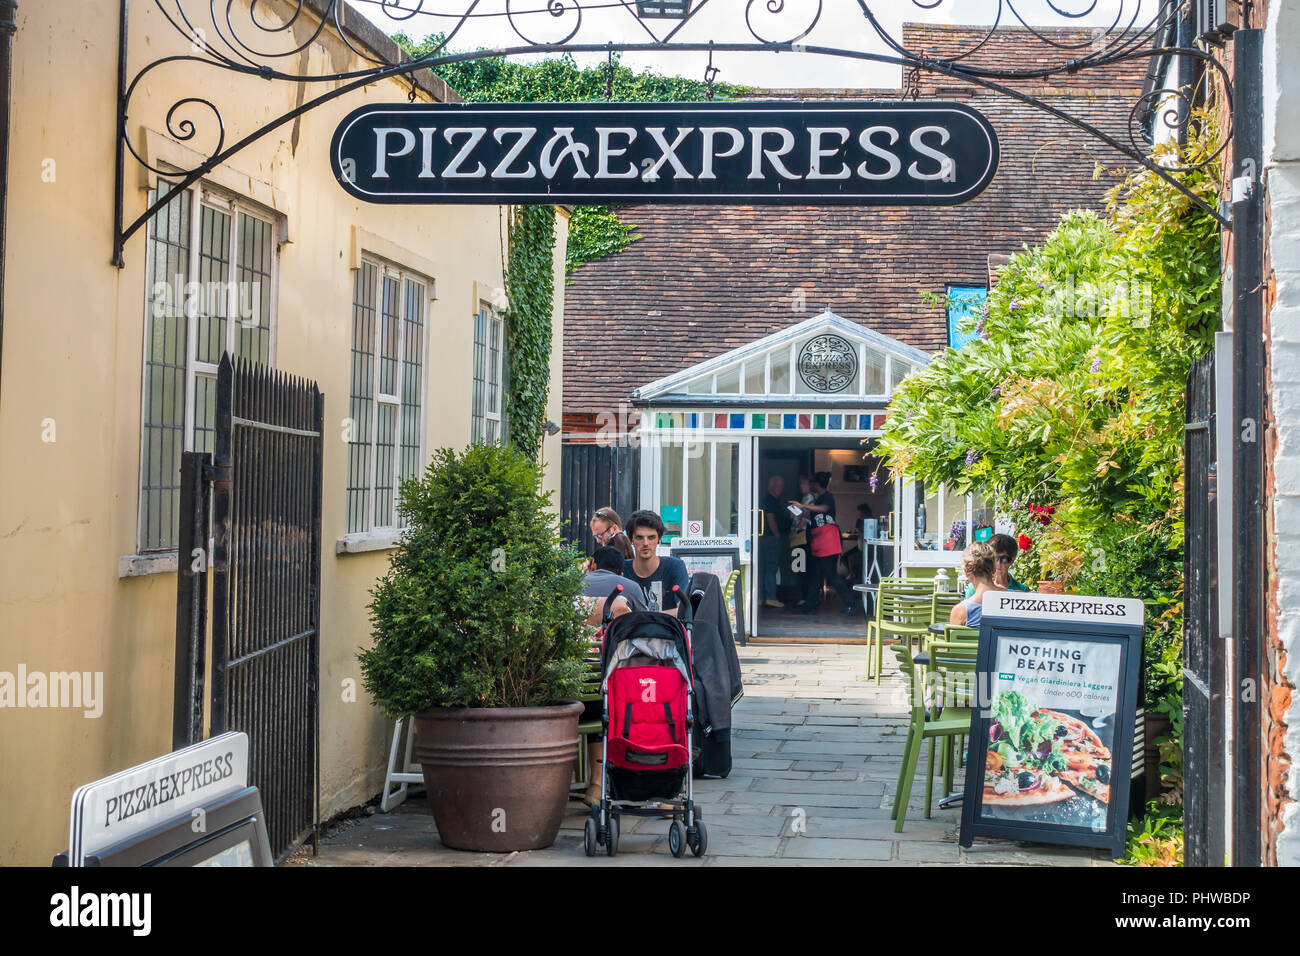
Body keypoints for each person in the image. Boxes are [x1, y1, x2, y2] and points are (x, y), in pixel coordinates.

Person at [577, 547, 644, 806]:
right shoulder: (630, 587)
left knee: (595, 698)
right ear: (622, 570)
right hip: (617, 690)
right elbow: (642, 626)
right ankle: (611, 779)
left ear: (592, 564)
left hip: (576, 692)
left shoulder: (571, 586)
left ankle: (593, 783)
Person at [791, 471, 859, 616]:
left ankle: (851, 604)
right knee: (815, 575)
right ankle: (810, 605)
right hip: (819, 542)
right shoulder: (818, 498)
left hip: (828, 542)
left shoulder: (827, 497)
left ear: (816, 484)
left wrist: (803, 506)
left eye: (812, 483)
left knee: (831, 575)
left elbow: (824, 509)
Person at [623, 509, 691, 616]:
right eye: (639, 537)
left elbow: (684, 610)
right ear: (631, 539)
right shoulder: (622, 569)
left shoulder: (674, 566)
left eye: (651, 537)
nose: (645, 543)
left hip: (668, 630)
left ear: (659, 539)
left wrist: (649, 617)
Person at [582, 545, 649, 617]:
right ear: (621, 574)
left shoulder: (575, 583)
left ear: (593, 564)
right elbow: (643, 619)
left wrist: (582, 572)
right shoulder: (632, 587)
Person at [964, 532, 1032, 597]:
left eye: (1004, 559)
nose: (998, 563)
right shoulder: (974, 588)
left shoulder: (1022, 590)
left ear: (1013, 559)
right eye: (995, 558)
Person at [951, 540, 1001, 627]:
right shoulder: (1013, 598)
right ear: (994, 569)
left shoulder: (960, 611)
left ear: (966, 572)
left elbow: (953, 639)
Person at [760, 474, 790, 608]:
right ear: (772, 486)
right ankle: (770, 597)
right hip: (771, 538)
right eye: (778, 486)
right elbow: (770, 518)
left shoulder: (772, 500)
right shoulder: (770, 500)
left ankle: (762, 597)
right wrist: (777, 535)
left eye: (782, 486)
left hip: (767, 537)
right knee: (771, 568)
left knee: (765, 568)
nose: (781, 489)